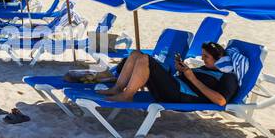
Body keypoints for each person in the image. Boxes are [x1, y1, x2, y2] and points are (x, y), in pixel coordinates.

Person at [99, 41, 240, 106]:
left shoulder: (228, 77)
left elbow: (221, 101)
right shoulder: (206, 68)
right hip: (173, 87)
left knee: (145, 59)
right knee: (136, 54)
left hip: (180, 95)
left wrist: (193, 79)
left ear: (219, 59)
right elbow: (189, 78)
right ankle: (118, 88)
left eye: (206, 57)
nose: (202, 59)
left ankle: (127, 95)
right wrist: (182, 71)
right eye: (202, 55)